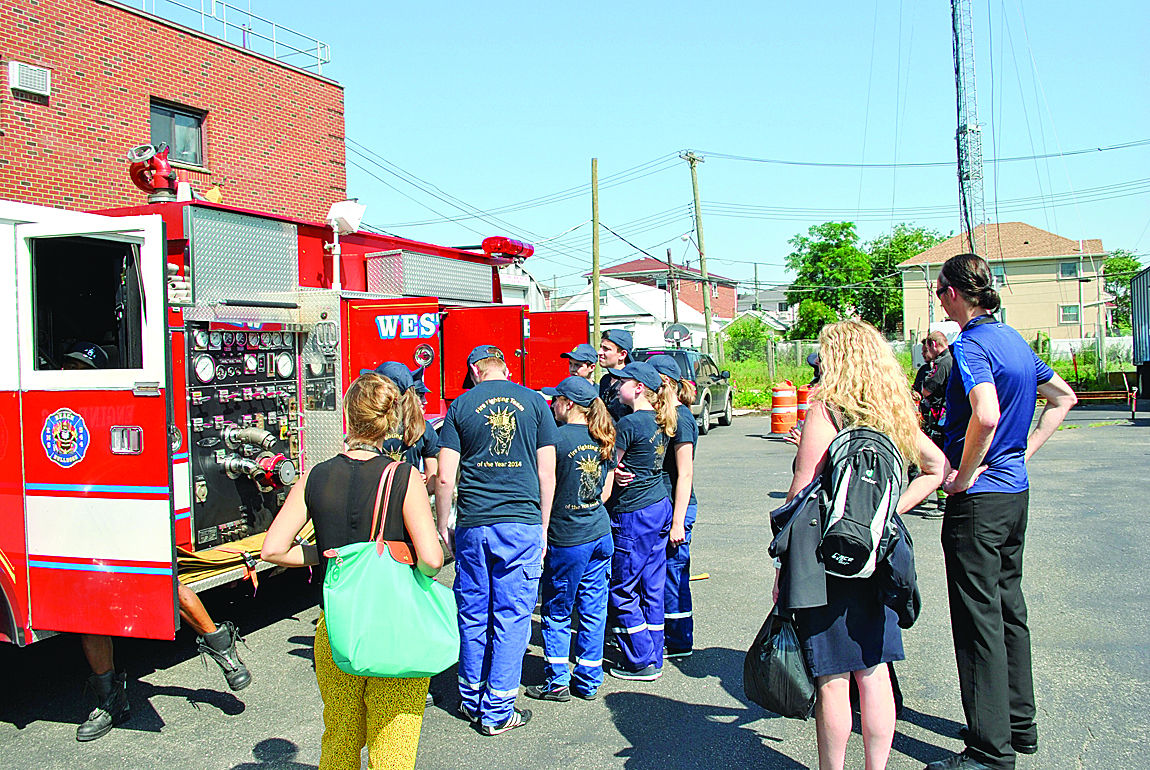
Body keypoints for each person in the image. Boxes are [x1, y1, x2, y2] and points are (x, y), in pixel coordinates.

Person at [925, 254, 1076, 770]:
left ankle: (990, 752)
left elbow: (985, 415)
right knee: (1010, 608)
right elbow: (1063, 398)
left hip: (981, 500)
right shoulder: (1013, 339)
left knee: (977, 620)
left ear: (954, 294)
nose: (939, 300)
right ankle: (1018, 725)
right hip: (1014, 495)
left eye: (941, 291)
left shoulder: (971, 344)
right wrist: (1025, 452)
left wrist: (964, 475)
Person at [777, 319, 945, 770]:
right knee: (874, 672)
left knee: (832, 678)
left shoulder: (825, 411)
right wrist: (888, 512)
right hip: (880, 554)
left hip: (826, 558)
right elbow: (937, 467)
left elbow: (800, 495)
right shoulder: (893, 410)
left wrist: (781, 570)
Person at [64, 341, 250, 743]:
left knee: (162, 583)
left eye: (78, 365)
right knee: (89, 609)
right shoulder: (57, 411)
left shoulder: (127, 403)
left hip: (128, 511)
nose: (71, 371)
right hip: (82, 515)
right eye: (68, 365)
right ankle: (110, 699)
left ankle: (220, 644)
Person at [261, 373, 444, 769]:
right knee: (392, 742)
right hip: (394, 628)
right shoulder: (403, 477)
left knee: (341, 734)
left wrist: (325, 556)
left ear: (347, 416)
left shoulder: (314, 476)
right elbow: (431, 558)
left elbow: (273, 549)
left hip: (337, 626)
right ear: (391, 420)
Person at [435, 345, 557, 735]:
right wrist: (543, 526)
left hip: (474, 523)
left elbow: (443, 477)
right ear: (505, 368)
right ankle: (500, 708)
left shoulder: (459, 406)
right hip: (521, 522)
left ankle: (471, 698)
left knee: (472, 611)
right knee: (512, 615)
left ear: (475, 370)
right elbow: (547, 473)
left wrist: (443, 525)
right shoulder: (536, 403)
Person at [524, 376, 616, 703]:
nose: (553, 405)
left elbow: (544, 488)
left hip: (568, 537)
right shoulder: (603, 435)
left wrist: (544, 533)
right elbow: (605, 491)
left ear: (568, 404)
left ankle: (557, 680)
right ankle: (589, 679)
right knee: (592, 608)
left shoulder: (556, 440)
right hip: (599, 532)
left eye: (557, 400)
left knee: (558, 609)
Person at [603, 360, 677, 681]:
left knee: (621, 587)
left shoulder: (629, 424)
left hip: (634, 511)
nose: (616, 386)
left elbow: (609, 466)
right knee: (652, 584)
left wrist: (612, 474)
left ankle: (640, 658)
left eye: (623, 382)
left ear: (638, 388)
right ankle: (655, 653)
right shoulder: (661, 421)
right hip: (660, 505)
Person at [647, 355, 698, 659]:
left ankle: (679, 640)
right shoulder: (664, 415)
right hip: (664, 503)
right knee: (663, 572)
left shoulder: (683, 420)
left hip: (679, 506)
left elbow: (686, 472)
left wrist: (678, 521)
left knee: (675, 573)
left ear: (664, 382)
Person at [364, 362, 439, 495]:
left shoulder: (369, 426)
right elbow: (432, 485)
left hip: (376, 501)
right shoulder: (422, 427)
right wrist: (420, 484)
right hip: (410, 500)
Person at [597, 329, 634, 422]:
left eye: (606, 349)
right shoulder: (605, 380)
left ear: (622, 354)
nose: (599, 352)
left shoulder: (632, 383)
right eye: (600, 347)